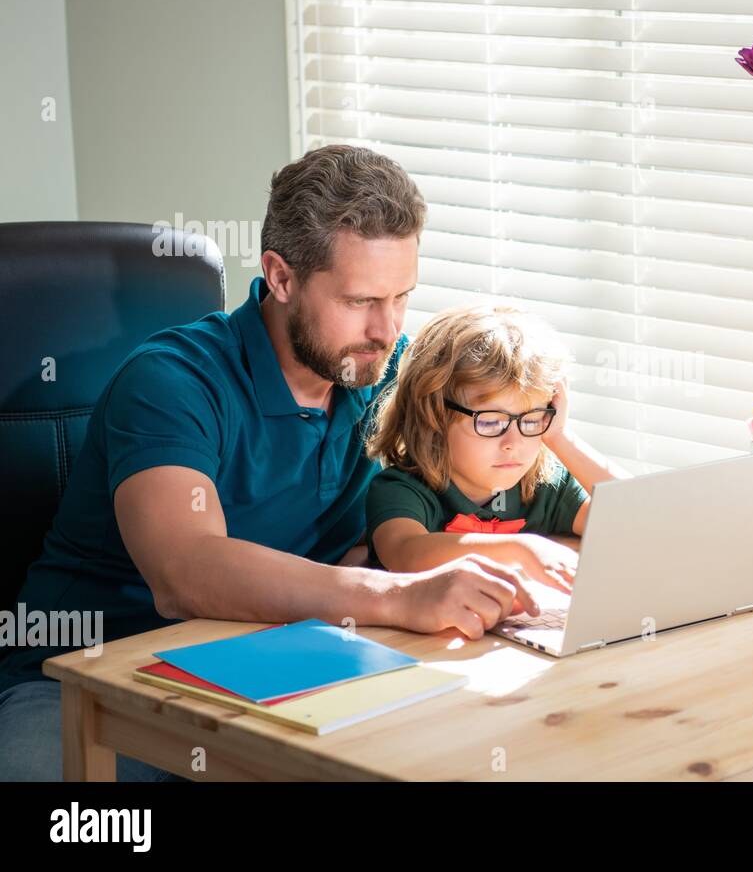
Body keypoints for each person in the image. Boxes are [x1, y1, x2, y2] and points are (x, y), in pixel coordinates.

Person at [0, 145, 537, 781]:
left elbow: (500, 437)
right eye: (361, 300)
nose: (388, 328)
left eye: (402, 296)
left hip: (276, 660)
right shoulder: (170, 382)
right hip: (89, 673)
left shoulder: (384, 369)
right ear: (280, 277)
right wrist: (401, 595)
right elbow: (186, 573)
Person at [365, 305, 630, 634]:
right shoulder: (402, 489)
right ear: (433, 416)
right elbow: (406, 553)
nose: (513, 442)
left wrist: (559, 437)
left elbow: (638, 517)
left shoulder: (543, 484)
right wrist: (521, 549)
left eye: (531, 419)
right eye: (490, 421)